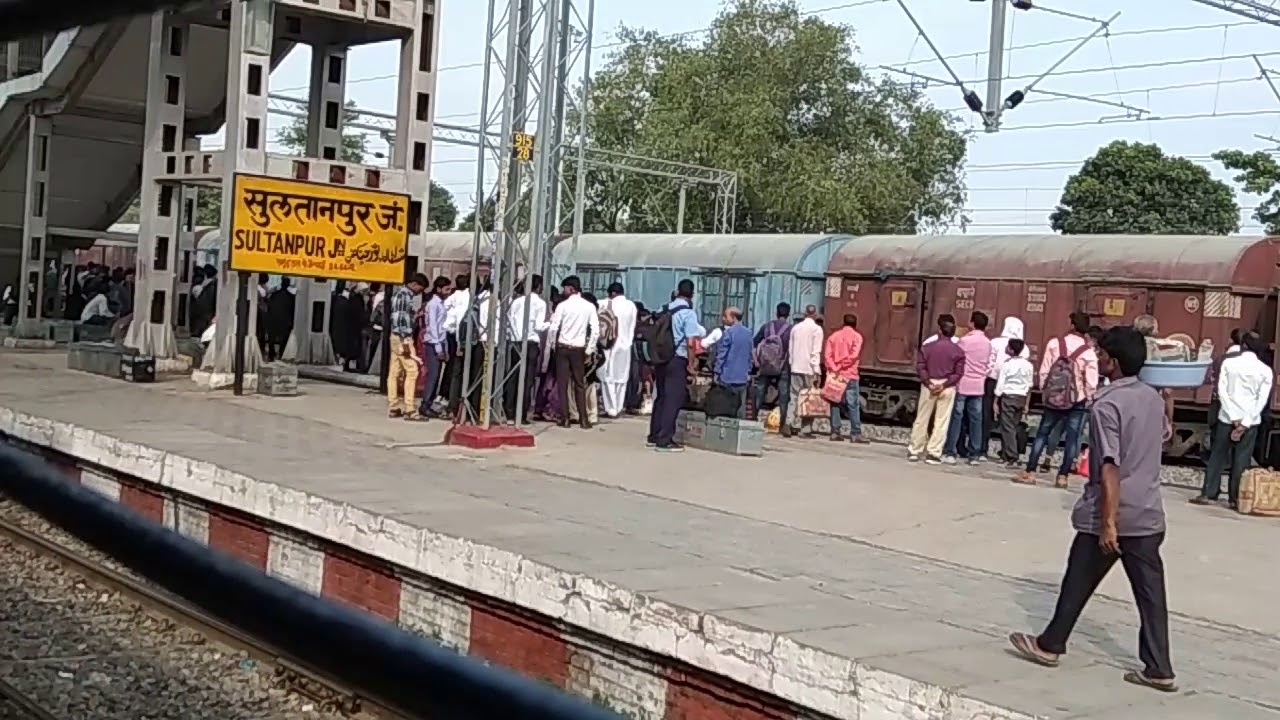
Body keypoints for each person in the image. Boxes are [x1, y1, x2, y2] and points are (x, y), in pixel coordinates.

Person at [1008, 326, 1176, 694]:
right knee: (1151, 595)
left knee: (1078, 579)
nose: (1098, 360)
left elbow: (1109, 466)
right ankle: (1159, 667)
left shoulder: (1107, 403)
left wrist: (1109, 523)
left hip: (1111, 513)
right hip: (1148, 512)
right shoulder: (1151, 397)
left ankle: (1051, 645)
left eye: (1101, 355)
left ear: (1113, 363)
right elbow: (1165, 433)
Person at [1192, 330, 1272, 509]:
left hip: (1227, 417)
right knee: (1242, 460)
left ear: (1243, 346)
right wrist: (1244, 423)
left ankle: (1209, 493)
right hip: (1250, 421)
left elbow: (1223, 392)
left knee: (1217, 455)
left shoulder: (1229, 363)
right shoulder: (1265, 371)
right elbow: (1261, 400)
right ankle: (1236, 498)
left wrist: (1234, 417)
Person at [1019, 312, 1098, 488]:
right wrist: (1087, 397)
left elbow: (1044, 371)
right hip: (1076, 401)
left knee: (1042, 434)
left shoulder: (1055, 344)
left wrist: (1045, 391)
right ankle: (1062, 476)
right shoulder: (1088, 352)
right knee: (1072, 438)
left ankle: (1030, 472)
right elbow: (1091, 381)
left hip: (1053, 398)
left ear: (1071, 324)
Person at [648, 279, 704, 451]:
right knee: (674, 398)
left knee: (662, 396)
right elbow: (690, 342)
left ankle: (654, 434)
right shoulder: (688, 313)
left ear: (677, 291)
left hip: (661, 357)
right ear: (692, 294)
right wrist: (692, 363)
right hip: (677, 358)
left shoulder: (664, 309)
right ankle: (665, 440)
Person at [907, 315, 966, 464]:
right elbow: (958, 373)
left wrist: (928, 382)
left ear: (940, 331)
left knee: (922, 418)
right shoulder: (958, 351)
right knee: (941, 421)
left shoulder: (927, 348)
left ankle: (915, 450)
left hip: (929, 385)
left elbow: (921, 366)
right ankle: (934, 453)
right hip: (947, 387)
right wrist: (944, 384)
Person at [548, 276, 599, 430]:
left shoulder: (562, 306)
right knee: (580, 384)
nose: (564, 291)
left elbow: (553, 327)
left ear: (570, 288)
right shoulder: (589, 306)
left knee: (563, 384)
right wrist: (589, 349)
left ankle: (565, 418)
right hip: (579, 349)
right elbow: (595, 330)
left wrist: (552, 345)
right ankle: (584, 419)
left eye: (565, 288)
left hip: (563, 347)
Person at [944, 311, 993, 465]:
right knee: (976, 420)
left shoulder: (964, 341)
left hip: (963, 383)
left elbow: (955, 358)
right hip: (979, 385)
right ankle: (974, 454)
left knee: (957, 418)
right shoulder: (988, 343)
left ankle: (950, 451)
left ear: (972, 324)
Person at [984, 316, 1029, 458]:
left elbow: (989, 364)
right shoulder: (1025, 348)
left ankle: (983, 448)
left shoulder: (995, 342)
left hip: (993, 382)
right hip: (1017, 392)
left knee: (987, 417)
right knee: (1010, 424)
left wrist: (996, 400)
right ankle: (1006, 451)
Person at [387, 274, 427, 420]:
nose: (419, 293)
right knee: (412, 370)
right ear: (415, 284)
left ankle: (393, 406)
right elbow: (400, 319)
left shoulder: (399, 294)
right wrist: (405, 341)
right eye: (420, 289)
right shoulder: (404, 296)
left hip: (395, 336)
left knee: (394, 371)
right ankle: (410, 408)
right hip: (403, 337)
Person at [824, 313, 867, 443]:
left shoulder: (833, 336)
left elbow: (827, 356)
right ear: (855, 324)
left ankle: (835, 432)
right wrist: (843, 365)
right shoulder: (857, 337)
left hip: (835, 375)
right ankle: (855, 433)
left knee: (835, 402)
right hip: (850, 375)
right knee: (853, 404)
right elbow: (853, 355)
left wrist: (834, 367)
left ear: (843, 322)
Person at [1204, 328, 1243, 461]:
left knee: (1218, 445)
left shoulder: (1221, 359)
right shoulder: (1251, 361)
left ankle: (1213, 477)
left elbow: (1210, 377)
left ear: (1230, 341)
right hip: (1241, 407)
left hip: (1220, 405)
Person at [784, 305, 824, 438]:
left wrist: (791, 364)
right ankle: (805, 429)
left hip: (796, 367)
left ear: (804, 313)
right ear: (815, 315)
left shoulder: (795, 328)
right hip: (809, 369)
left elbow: (791, 349)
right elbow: (815, 352)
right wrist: (817, 370)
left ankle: (788, 423)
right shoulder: (817, 330)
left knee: (794, 397)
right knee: (809, 399)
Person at [599, 282, 638, 418]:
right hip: (626, 345)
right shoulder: (631, 306)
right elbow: (632, 326)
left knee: (607, 376)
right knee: (622, 378)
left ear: (612, 293)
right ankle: (619, 406)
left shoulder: (607, 304)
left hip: (610, 344)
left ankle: (611, 408)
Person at [994, 338, 1033, 467]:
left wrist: (995, 401)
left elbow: (1000, 384)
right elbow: (1029, 386)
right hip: (1021, 398)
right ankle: (1005, 454)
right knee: (1013, 426)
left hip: (1008, 397)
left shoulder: (1007, 364)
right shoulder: (1028, 365)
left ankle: (1012, 456)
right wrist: (1027, 403)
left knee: (1007, 427)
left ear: (1011, 349)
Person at [417, 276, 452, 418]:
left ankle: (429, 403)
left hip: (440, 341)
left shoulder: (442, 303)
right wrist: (438, 348)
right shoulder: (433, 304)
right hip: (433, 342)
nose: (448, 292)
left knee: (437, 376)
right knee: (433, 375)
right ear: (438, 289)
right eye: (446, 289)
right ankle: (425, 404)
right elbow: (432, 327)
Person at [752, 303, 792, 422]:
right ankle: (783, 423)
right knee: (783, 394)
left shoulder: (767, 326)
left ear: (776, 312)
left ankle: (753, 417)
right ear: (788, 314)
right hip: (782, 365)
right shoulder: (790, 329)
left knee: (760, 390)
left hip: (766, 364)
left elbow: (754, 343)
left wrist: (756, 361)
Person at [712, 306, 753, 417]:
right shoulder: (748, 333)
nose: (723, 318)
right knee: (741, 407)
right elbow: (750, 355)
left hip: (727, 376)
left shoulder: (729, 333)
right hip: (742, 377)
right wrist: (748, 372)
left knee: (727, 407)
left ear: (733, 317)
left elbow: (722, 355)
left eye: (726, 316)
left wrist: (716, 372)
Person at [442, 274, 471, 417]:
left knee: (452, 368)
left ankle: (447, 397)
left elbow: (445, 308)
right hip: (459, 337)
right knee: (457, 370)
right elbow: (461, 320)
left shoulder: (453, 296)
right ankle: (453, 402)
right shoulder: (467, 297)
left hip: (451, 334)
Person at [265, 277, 295, 362]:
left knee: (272, 338)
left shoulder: (274, 294)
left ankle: (271, 354)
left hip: (273, 319)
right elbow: (292, 310)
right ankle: (281, 354)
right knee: (284, 339)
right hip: (285, 321)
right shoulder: (291, 297)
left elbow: (269, 307)